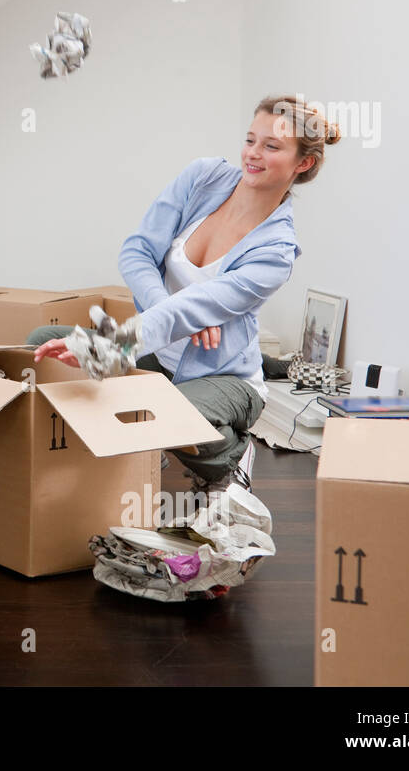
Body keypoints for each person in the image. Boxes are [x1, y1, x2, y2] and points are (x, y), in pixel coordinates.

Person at [30, 95, 340, 491]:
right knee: (44, 345)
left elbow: (193, 306)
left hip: (226, 376)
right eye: (250, 140)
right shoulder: (204, 178)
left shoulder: (275, 252)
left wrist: (109, 349)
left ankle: (231, 456)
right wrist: (173, 312)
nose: (253, 154)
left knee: (173, 410)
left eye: (272, 146)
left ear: (303, 163)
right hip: (156, 357)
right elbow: (137, 251)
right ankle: (136, 432)